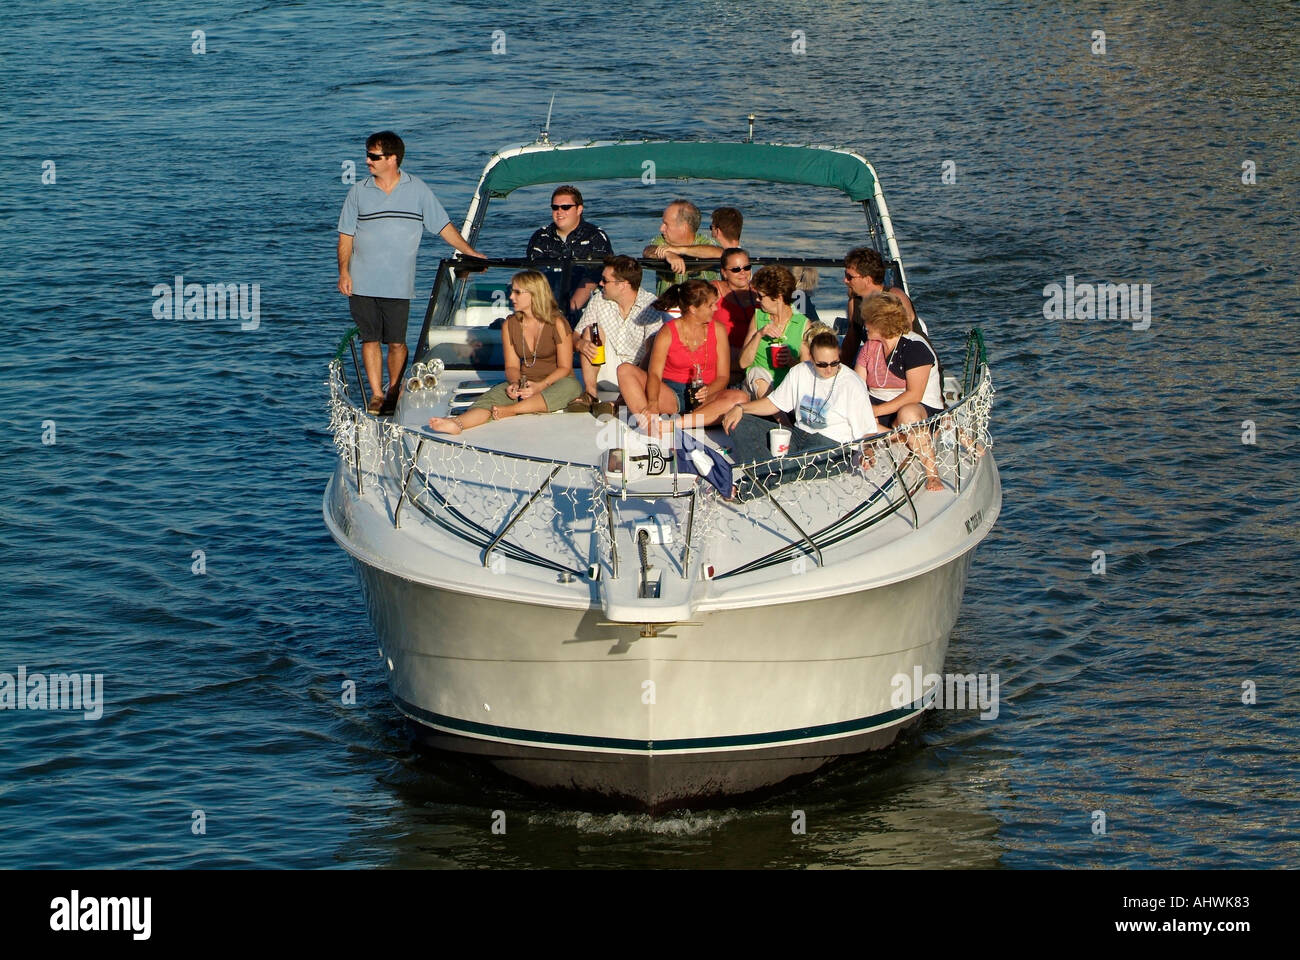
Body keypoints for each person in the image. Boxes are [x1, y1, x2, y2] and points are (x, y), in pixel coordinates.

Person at [338, 131, 485, 414]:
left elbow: (443, 226)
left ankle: (394, 389)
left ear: (392, 159)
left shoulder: (417, 190)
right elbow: (345, 237)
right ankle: (377, 395)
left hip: (397, 284)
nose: (367, 161)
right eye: (367, 155)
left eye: (374, 156)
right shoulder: (358, 191)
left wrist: (469, 252)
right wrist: (344, 272)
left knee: (396, 342)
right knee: (369, 339)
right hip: (361, 282)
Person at [427, 271, 580, 434]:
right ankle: (457, 423)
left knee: (571, 387)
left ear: (535, 294)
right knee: (493, 396)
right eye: (512, 292)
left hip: (556, 382)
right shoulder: (510, 325)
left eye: (517, 292)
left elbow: (565, 367)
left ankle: (513, 410)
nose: (512, 297)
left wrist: (541, 385)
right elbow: (512, 367)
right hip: (525, 382)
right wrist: (515, 384)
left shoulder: (557, 323)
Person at [722, 331, 877, 494]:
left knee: (791, 465)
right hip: (797, 435)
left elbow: (867, 431)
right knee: (739, 422)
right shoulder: (800, 370)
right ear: (811, 357)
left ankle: (746, 489)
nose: (829, 369)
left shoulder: (852, 382)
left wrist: (867, 452)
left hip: (831, 448)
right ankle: (772, 469)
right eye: (822, 364)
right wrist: (741, 408)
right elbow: (773, 403)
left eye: (834, 363)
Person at [617, 280, 748, 432]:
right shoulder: (667, 332)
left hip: (706, 395)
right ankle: (651, 423)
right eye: (711, 305)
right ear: (693, 309)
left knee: (740, 398)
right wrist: (652, 402)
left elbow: (723, 377)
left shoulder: (718, 330)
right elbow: (654, 374)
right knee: (624, 370)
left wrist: (709, 390)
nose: (716, 308)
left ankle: (670, 425)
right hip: (671, 394)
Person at [852, 293, 945, 490]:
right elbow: (857, 386)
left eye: (867, 320)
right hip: (880, 408)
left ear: (881, 322)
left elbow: (914, 394)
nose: (864, 325)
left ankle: (932, 474)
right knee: (853, 414)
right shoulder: (869, 348)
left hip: (918, 409)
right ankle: (897, 438)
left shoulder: (914, 347)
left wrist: (876, 412)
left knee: (908, 414)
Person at [567, 255, 667, 417]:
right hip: (603, 371)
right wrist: (580, 344)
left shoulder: (650, 305)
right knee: (592, 331)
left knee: (653, 344)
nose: (600, 284)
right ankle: (591, 394)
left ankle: (622, 400)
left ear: (622, 285)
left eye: (605, 280)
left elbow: (652, 353)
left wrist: (631, 382)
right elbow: (575, 335)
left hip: (636, 375)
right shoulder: (599, 300)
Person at [525, 185, 613, 321]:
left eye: (565, 207)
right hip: (546, 306)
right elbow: (535, 276)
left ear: (579, 209)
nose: (559, 212)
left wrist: (569, 309)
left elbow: (595, 276)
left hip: (589, 308)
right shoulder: (540, 237)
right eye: (555, 207)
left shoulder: (596, 236)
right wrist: (548, 311)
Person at [738, 265, 811, 399]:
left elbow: (806, 371)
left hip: (786, 390)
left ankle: (778, 414)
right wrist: (759, 335)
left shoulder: (802, 324)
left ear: (777, 298)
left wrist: (790, 361)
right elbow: (743, 363)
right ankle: (781, 418)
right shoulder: (758, 317)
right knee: (757, 373)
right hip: (755, 388)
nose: (757, 300)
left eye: (760, 296)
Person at [839, 247, 920, 367]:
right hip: (878, 365)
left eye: (850, 277)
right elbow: (851, 345)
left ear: (867, 279)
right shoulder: (854, 302)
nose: (845, 280)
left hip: (912, 365)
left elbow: (907, 343)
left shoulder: (895, 298)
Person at [643, 200, 720, 292]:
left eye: (666, 224)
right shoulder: (662, 241)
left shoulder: (705, 242)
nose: (661, 228)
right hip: (668, 303)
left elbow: (720, 253)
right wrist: (668, 254)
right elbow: (648, 251)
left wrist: (680, 250)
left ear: (684, 227)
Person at [710, 247, 759, 368]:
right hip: (722, 356)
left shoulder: (761, 291)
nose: (743, 272)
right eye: (736, 269)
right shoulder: (713, 290)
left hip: (754, 355)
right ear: (724, 273)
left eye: (746, 267)